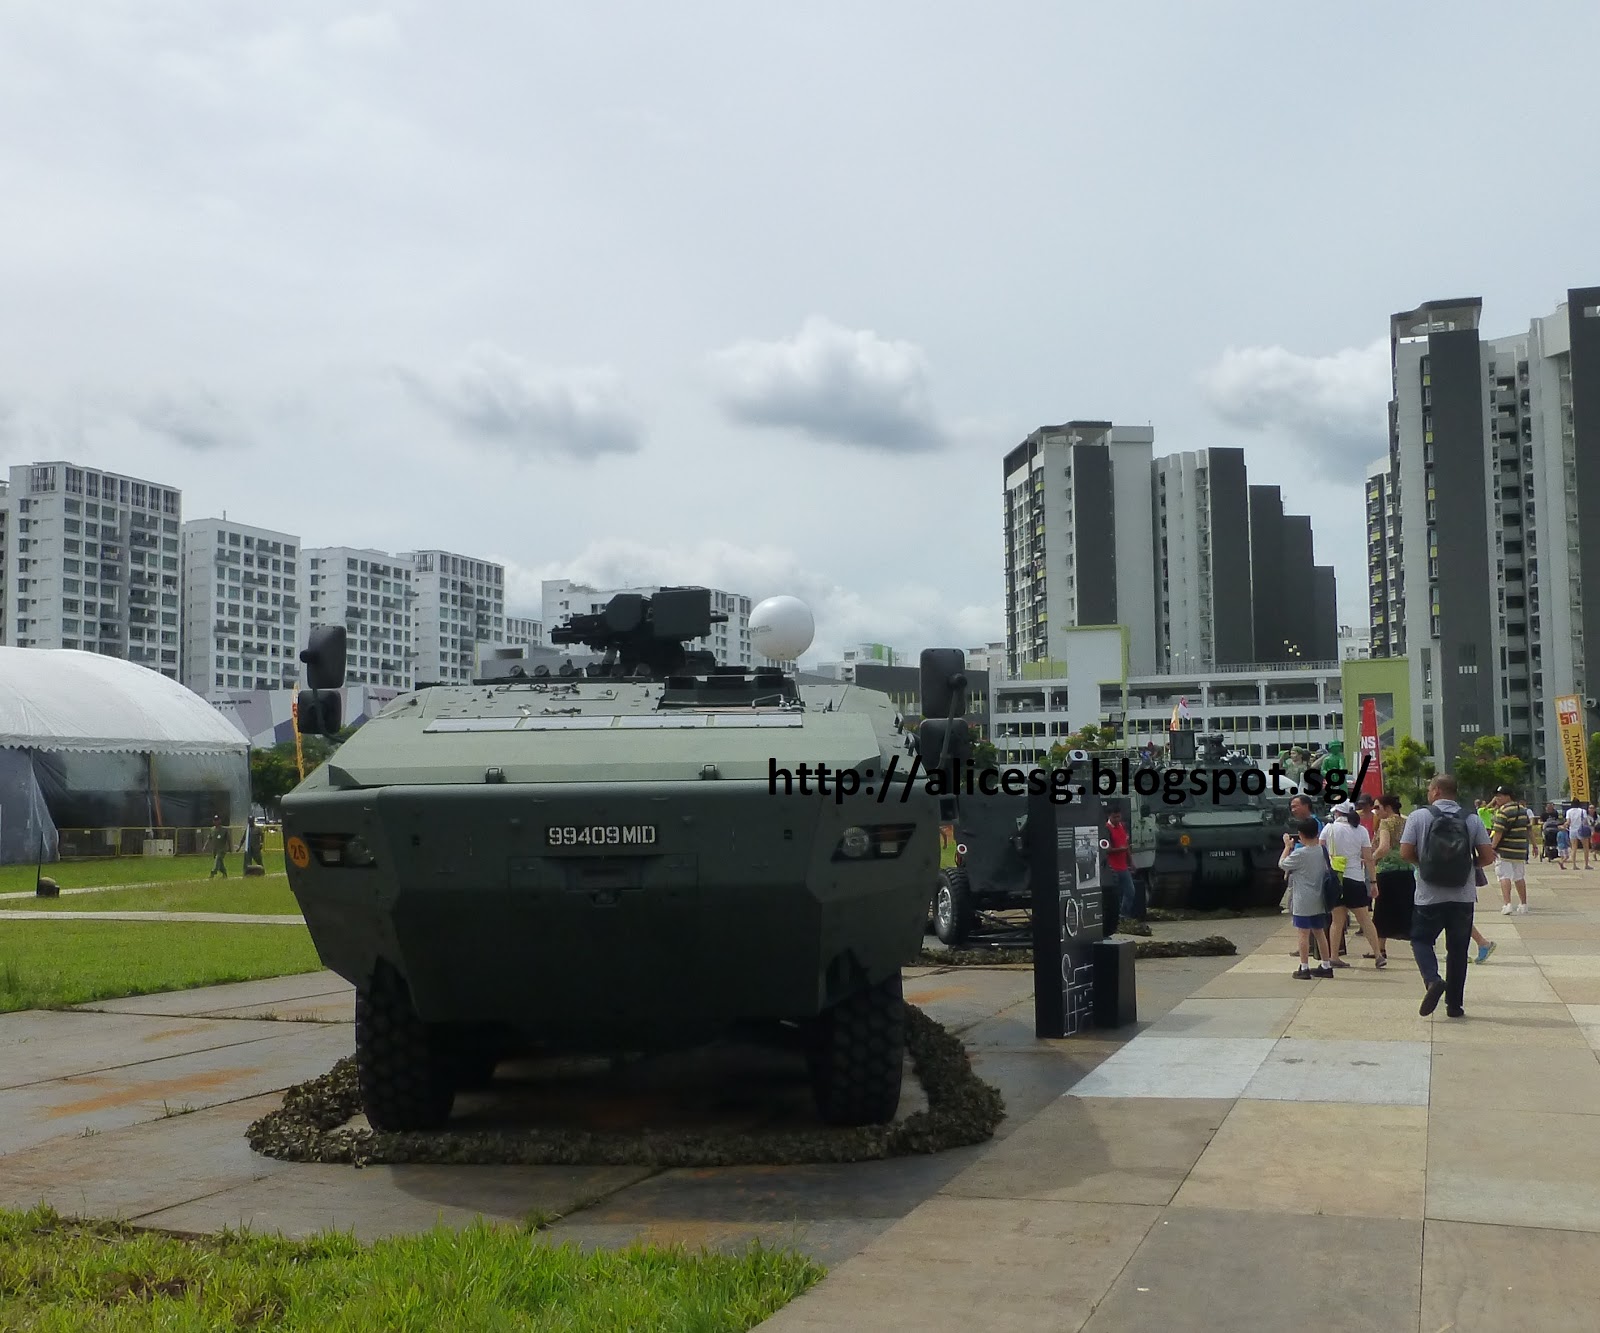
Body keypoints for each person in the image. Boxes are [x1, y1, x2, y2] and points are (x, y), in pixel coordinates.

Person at [1400, 774, 1495, 1017]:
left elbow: (1405, 851)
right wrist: (1466, 866)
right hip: (1462, 896)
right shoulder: (1472, 819)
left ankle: (1432, 980)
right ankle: (1454, 1005)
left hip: (1428, 894)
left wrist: (1424, 865)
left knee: (1421, 940)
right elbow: (1487, 856)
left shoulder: (1419, 816)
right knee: (1458, 950)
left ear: (1436, 792)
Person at [1322, 802, 1385, 967]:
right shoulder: (1361, 830)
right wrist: (1373, 881)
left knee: (1337, 920)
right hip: (1355, 878)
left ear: (1336, 813)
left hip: (1336, 878)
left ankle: (1334, 956)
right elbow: (1369, 858)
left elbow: (1321, 849)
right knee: (1365, 919)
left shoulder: (1329, 829)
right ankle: (1378, 954)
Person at [1281, 818, 1335, 980]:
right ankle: (1326, 965)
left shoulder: (1300, 853)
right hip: (1320, 898)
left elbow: (1283, 864)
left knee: (1303, 934)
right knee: (1319, 932)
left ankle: (1304, 967)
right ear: (1317, 833)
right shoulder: (1322, 851)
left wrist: (1287, 846)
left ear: (1300, 835)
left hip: (1303, 900)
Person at [1370, 793, 1414, 961]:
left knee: (1382, 911)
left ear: (1387, 808)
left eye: (1377, 807)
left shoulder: (1385, 824)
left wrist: (1371, 859)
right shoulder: (1407, 821)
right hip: (1406, 870)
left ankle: (1380, 948)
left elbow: (1384, 848)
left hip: (1387, 872)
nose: (1375, 811)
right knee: (1408, 909)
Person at [1490, 787, 1532, 914]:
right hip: (1520, 849)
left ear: (1508, 796)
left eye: (1500, 796)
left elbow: (1498, 831)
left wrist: (1492, 847)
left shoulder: (1503, 811)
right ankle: (1523, 904)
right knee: (1519, 877)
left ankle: (1507, 904)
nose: (1497, 798)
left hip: (1505, 850)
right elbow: (1529, 829)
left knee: (1504, 876)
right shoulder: (1523, 810)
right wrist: (1534, 845)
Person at [1105, 807, 1139, 922]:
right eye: (1115, 817)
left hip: (1123, 866)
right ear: (1109, 816)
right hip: (1112, 867)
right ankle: (1115, 917)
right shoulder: (1106, 829)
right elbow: (1107, 849)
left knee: (1130, 891)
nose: (1117, 819)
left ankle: (1124, 914)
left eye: (1119, 816)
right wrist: (1120, 849)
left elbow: (1126, 846)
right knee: (1116, 894)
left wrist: (1131, 862)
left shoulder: (1122, 826)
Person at [1566, 801, 1591, 870]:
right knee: (1586, 847)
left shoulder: (1569, 811)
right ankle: (1586, 864)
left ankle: (1574, 865)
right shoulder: (1583, 811)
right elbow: (1585, 821)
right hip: (1581, 830)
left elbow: (1568, 822)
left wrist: (1564, 825)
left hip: (1572, 830)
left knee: (1574, 848)